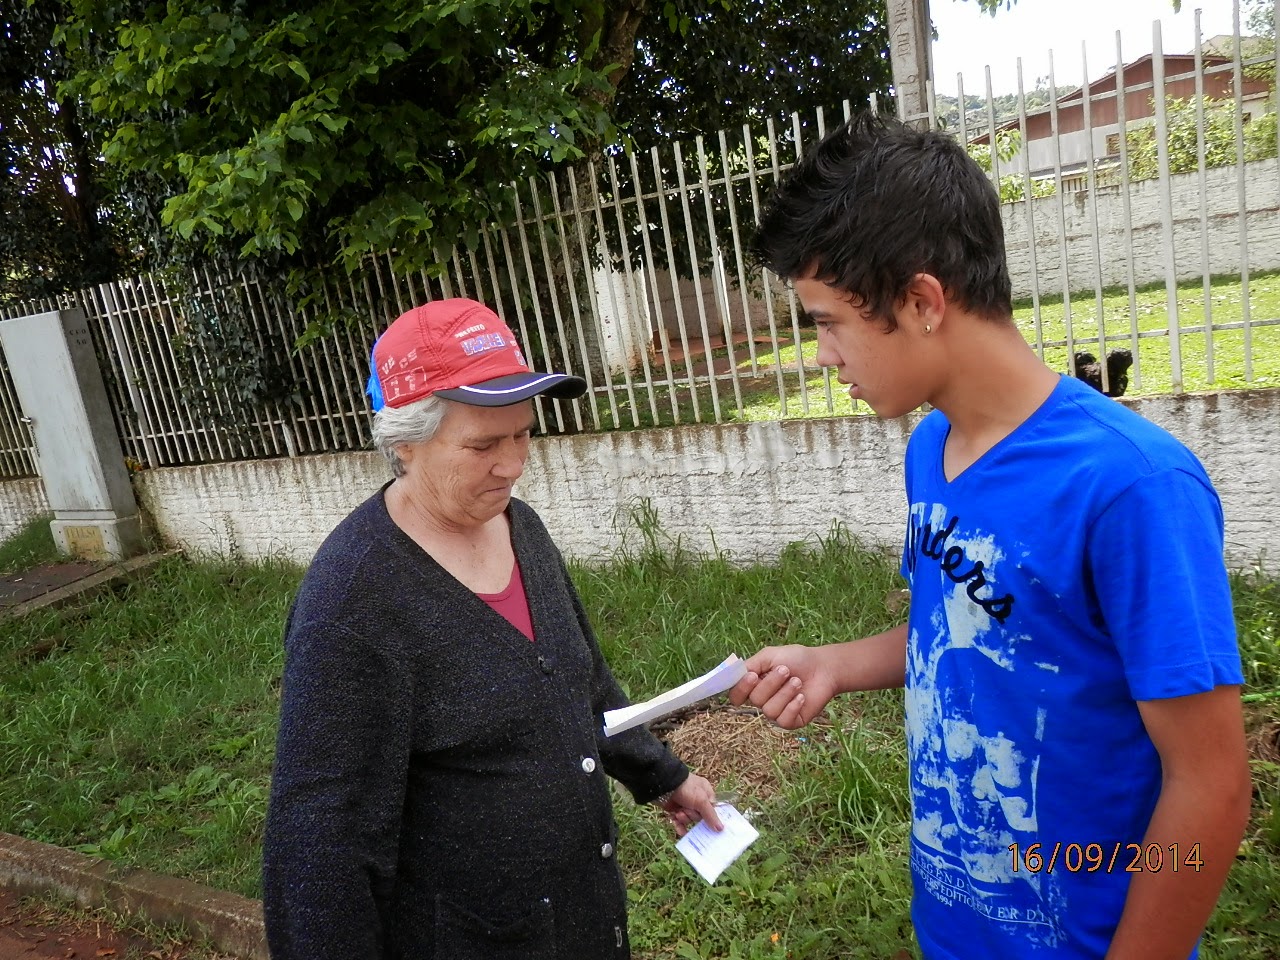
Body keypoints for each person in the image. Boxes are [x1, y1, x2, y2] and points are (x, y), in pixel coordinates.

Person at [728, 113, 1251, 960]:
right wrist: (834, 662)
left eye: (827, 321)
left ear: (923, 301)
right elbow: (968, 627)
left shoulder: (1129, 487)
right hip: (956, 927)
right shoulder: (933, 449)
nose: (823, 356)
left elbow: (1213, 784)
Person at [262, 297, 722, 960]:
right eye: (483, 444)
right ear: (405, 444)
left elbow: (581, 682)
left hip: (581, 925)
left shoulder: (520, 528)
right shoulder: (353, 602)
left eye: (522, 434)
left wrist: (662, 775)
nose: (513, 464)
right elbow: (321, 847)